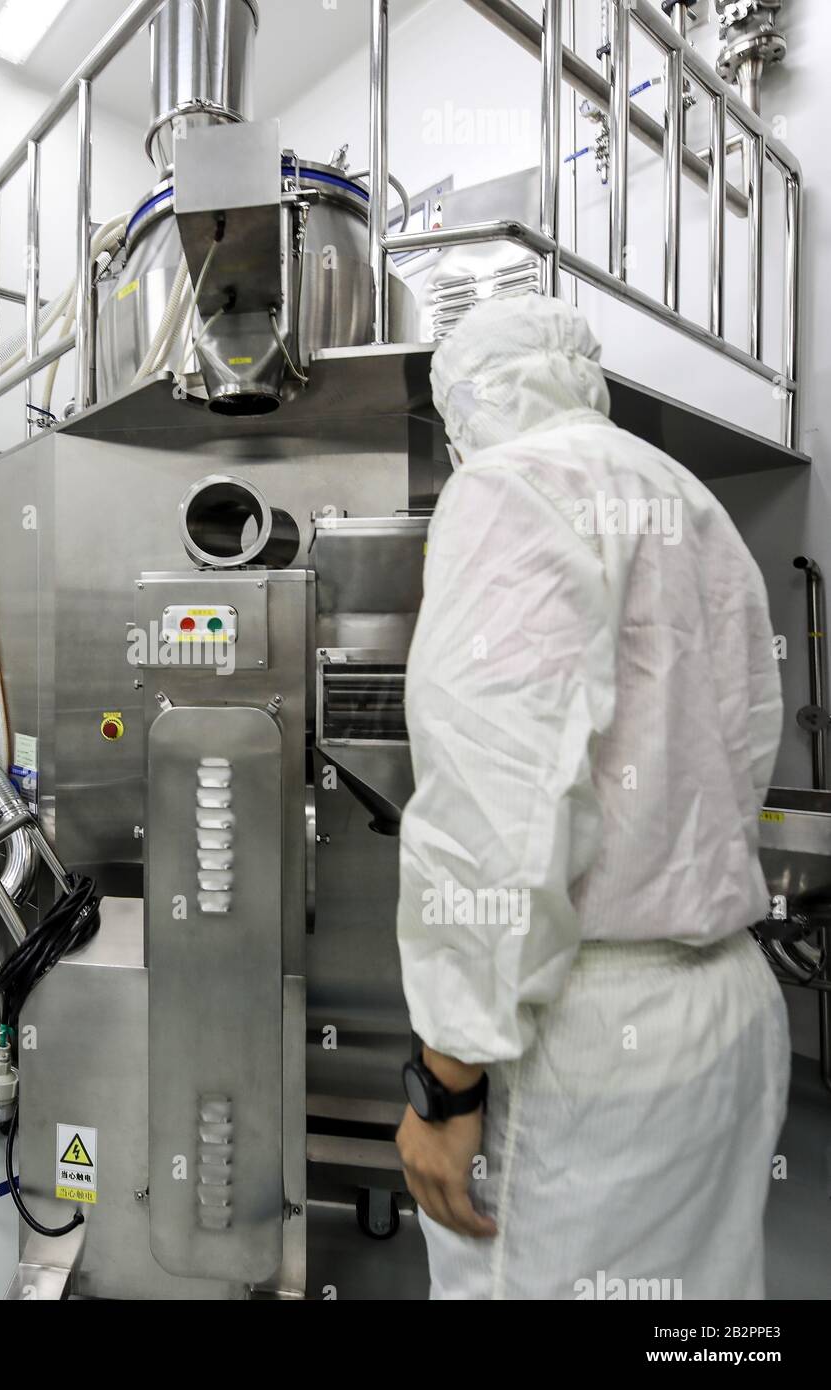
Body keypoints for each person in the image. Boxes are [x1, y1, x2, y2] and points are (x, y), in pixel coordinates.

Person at [394, 294, 788, 1299]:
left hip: (582, 1035)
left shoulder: (505, 488)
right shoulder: (690, 502)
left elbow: (499, 802)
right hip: (727, 1010)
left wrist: (443, 1084)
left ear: (467, 404)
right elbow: (743, 748)